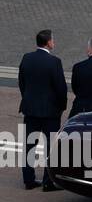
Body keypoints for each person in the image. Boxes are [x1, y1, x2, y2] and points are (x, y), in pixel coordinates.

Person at [18, 29, 67, 191]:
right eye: (53, 40)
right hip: (50, 112)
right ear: (47, 42)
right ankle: (48, 181)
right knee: (50, 147)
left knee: (29, 145)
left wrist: (28, 99)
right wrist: (62, 106)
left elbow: (22, 82)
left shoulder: (27, 58)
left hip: (30, 109)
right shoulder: (54, 62)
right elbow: (60, 87)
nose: (54, 42)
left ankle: (28, 179)